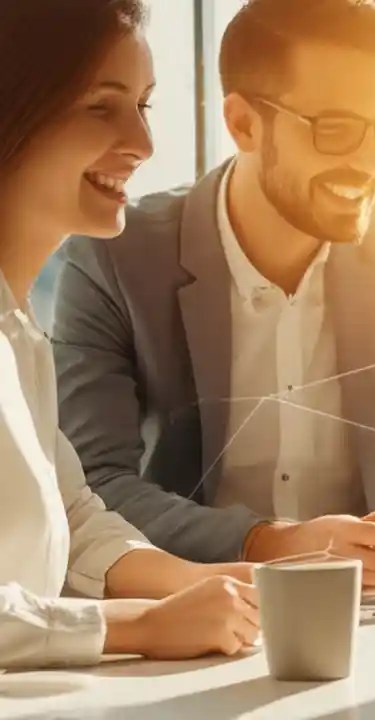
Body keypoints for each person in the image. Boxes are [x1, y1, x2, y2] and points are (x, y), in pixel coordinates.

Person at [50, 0, 375, 581]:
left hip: (370, 617)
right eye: (337, 130)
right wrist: (272, 545)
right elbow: (94, 488)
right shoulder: (114, 257)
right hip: (187, 614)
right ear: (244, 123)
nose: (372, 160)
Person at [0, 0, 263, 668]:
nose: (143, 145)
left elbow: (74, 514)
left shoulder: (18, 328)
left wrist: (210, 583)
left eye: (143, 106)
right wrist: (137, 626)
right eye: (101, 106)